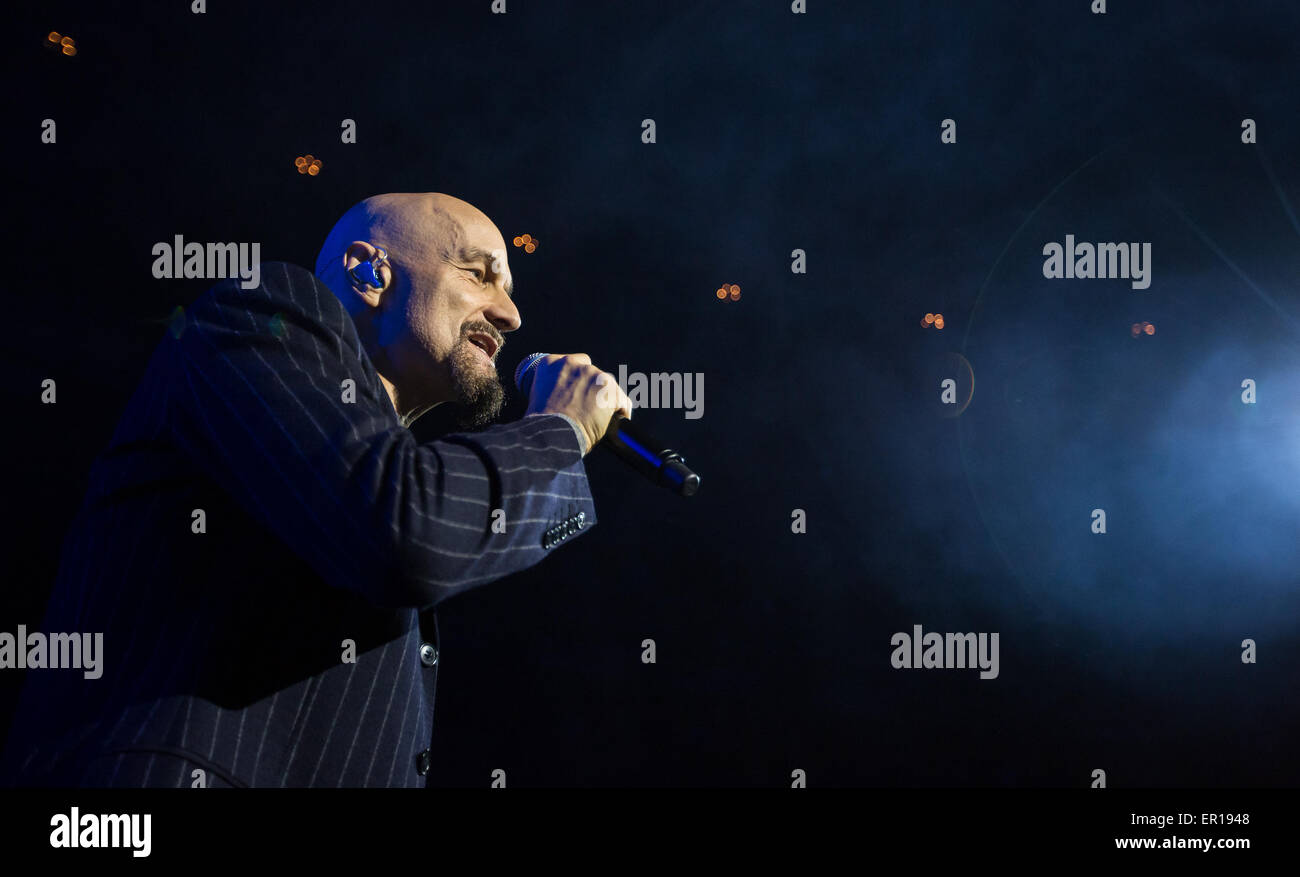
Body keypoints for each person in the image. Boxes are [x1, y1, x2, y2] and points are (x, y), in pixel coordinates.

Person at [0, 192, 631, 787]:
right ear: (368, 271)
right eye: (477, 274)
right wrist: (561, 430)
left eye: (510, 291)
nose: (511, 314)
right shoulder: (263, 311)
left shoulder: (387, 460)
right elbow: (402, 531)